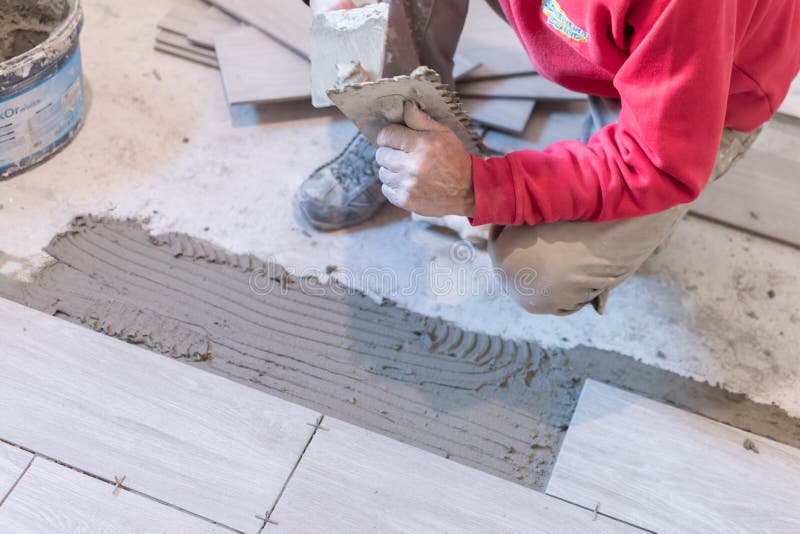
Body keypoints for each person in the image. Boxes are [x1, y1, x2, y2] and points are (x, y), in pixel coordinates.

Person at [297, 0, 800, 316]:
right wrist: (345, 12)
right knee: (365, 12)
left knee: (541, 272)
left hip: (706, 86)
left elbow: (656, 161)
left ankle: (642, 219)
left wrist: (480, 188)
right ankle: (397, 139)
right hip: (603, 33)